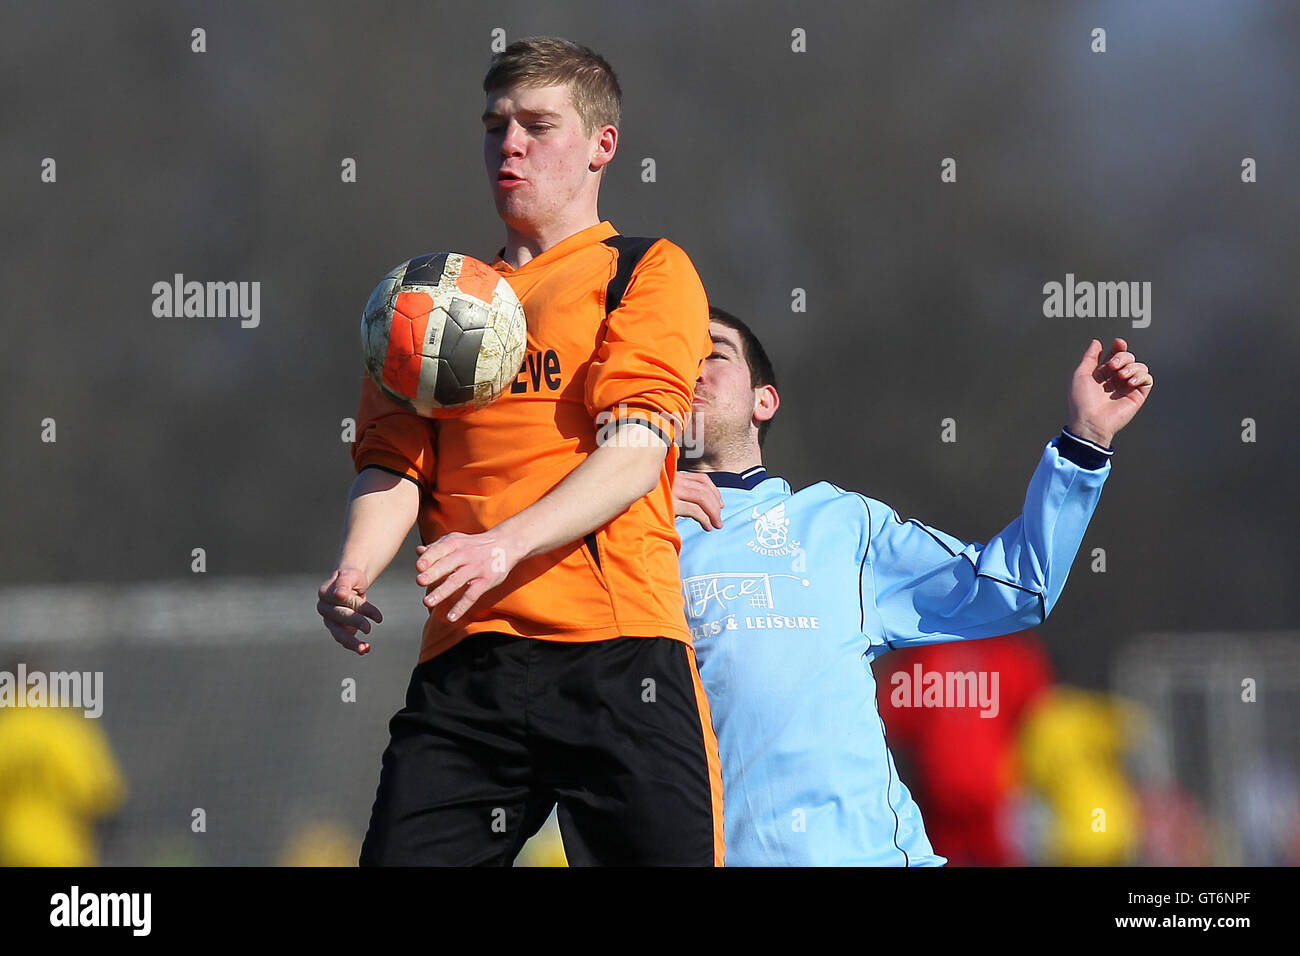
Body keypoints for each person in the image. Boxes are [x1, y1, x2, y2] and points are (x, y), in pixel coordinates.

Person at [317, 37, 722, 866]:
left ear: (603, 145)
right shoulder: (425, 301)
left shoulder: (642, 270)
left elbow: (637, 451)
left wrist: (503, 544)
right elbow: (393, 463)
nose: (510, 144)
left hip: (617, 658)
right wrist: (354, 568)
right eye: (496, 125)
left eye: (539, 125)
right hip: (469, 667)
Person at [673, 305, 1153, 865]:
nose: (693, 369)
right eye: (676, 357)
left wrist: (1086, 439)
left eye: (713, 353)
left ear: (764, 400)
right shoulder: (622, 534)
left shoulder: (841, 524)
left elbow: (1018, 586)